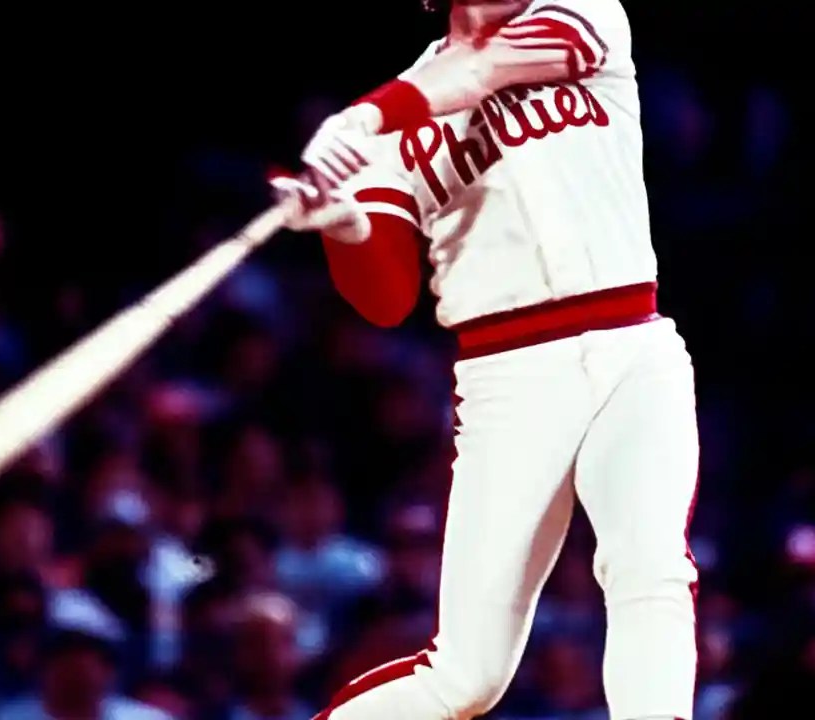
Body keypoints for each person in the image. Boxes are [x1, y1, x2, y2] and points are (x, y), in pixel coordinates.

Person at [275, 1, 700, 718]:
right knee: (466, 677)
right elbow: (385, 296)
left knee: (649, 569)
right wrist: (341, 221)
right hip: (509, 377)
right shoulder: (393, 112)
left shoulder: (587, 12)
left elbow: (483, 70)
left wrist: (364, 119)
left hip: (633, 344)